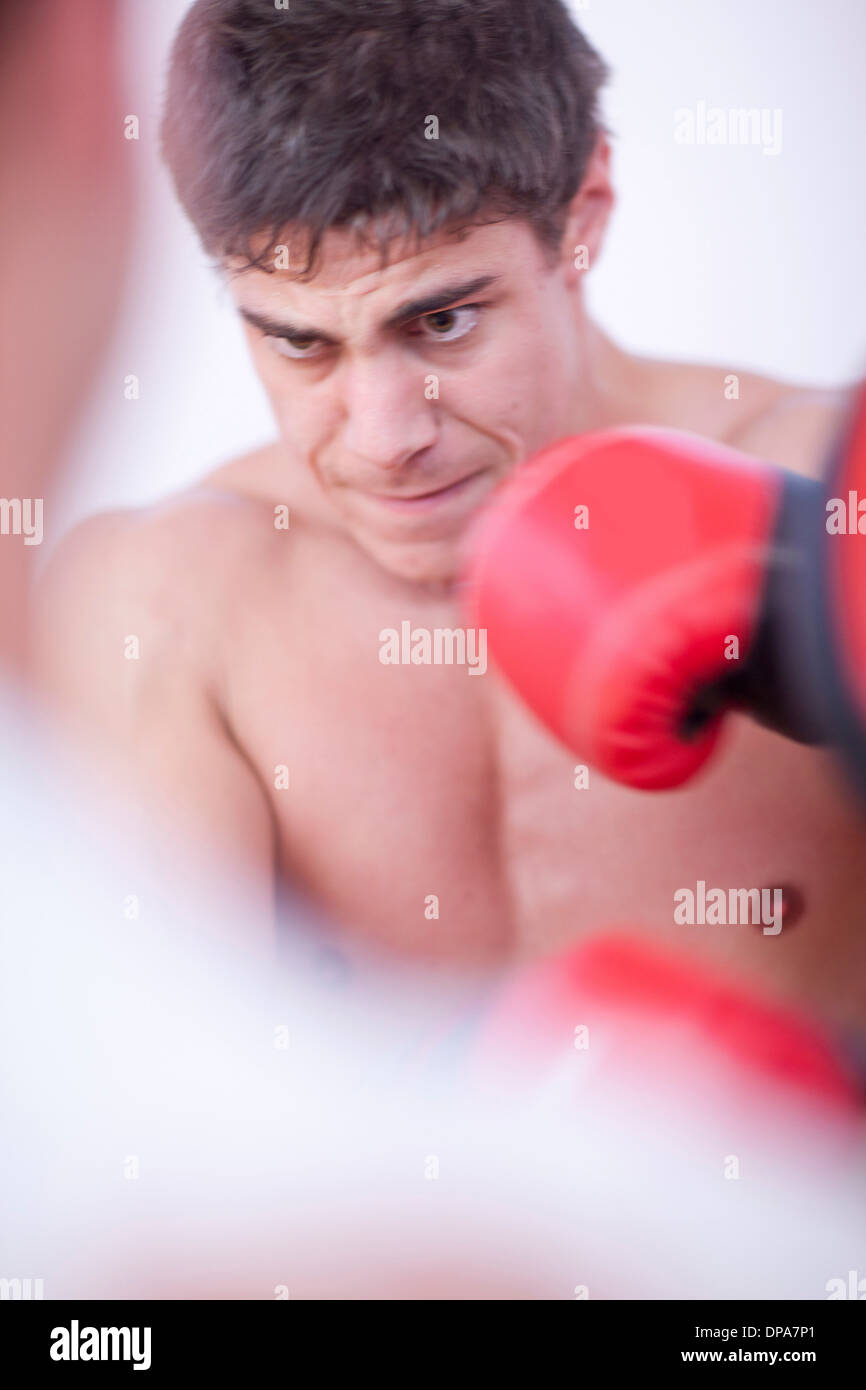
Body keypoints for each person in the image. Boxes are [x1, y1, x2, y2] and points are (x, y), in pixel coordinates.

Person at [35, 0, 866, 1031]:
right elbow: (172, 1111)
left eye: (441, 322)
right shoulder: (169, 609)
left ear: (584, 215)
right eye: (301, 345)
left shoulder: (827, 499)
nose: (385, 437)